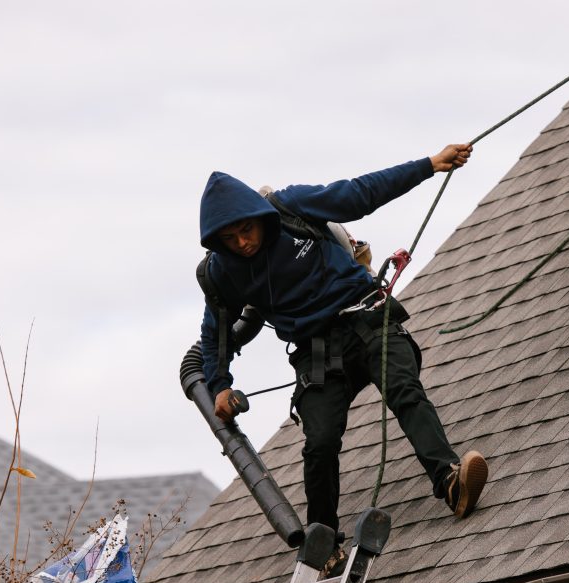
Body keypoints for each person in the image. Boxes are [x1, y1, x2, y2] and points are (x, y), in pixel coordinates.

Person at [197, 144, 488, 541]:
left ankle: (450, 481)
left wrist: (429, 165)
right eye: (230, 239)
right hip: (315, 351)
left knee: (404, 391)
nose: (243, 243)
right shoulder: (221, 272)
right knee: (319, 443)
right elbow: (214, 334)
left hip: (365, 317)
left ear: (258, 217)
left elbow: (359, 193)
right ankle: (322, 542)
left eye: (246, 230)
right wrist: (219, 385)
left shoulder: (290, 208)